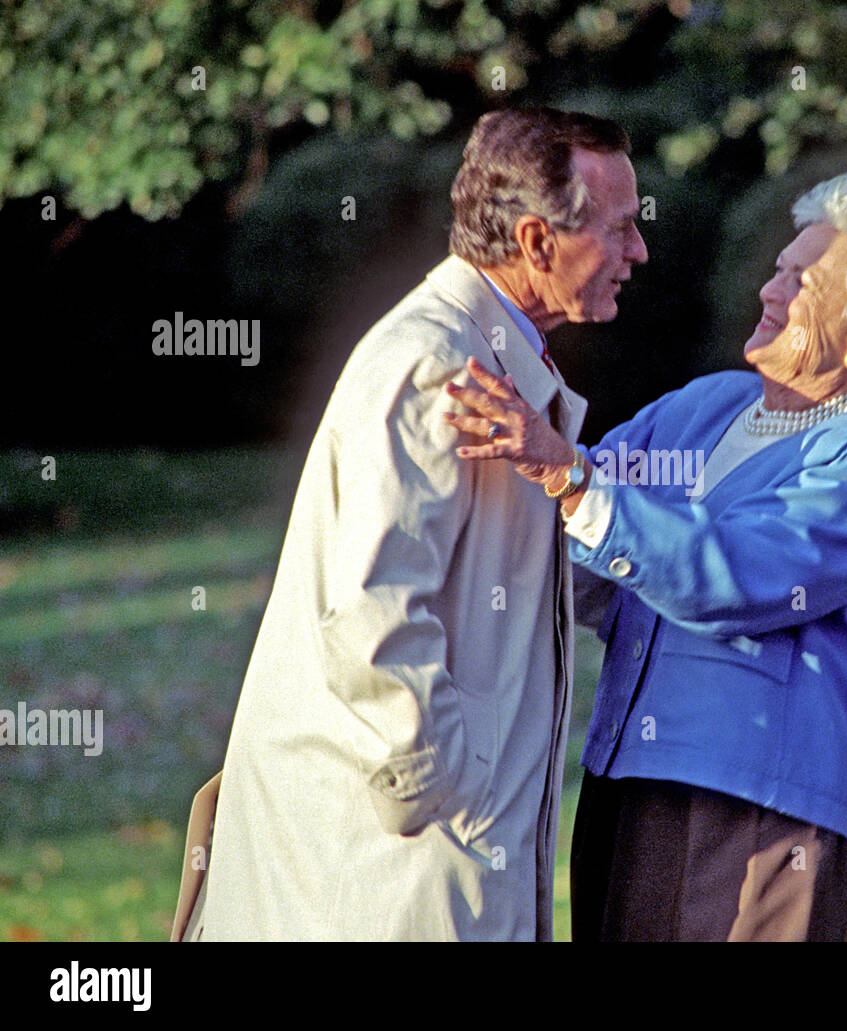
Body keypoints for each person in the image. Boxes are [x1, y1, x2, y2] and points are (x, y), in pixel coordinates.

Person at [446, 171, 847, 940]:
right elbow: (587, 546)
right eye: (779, 268)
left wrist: (566, 473)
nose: (771, 290)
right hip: (627, 779)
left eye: (802, 281)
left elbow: (729, 575)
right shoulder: (708, 406)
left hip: (756, 813)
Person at [185, 107, 648, 941]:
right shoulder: (435, 361)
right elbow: (372, 610)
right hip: (391, 876)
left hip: (434, 862)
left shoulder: (489, 352)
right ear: (538, 243)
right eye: (620, 230)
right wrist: (446, 792)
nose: (639, 252)